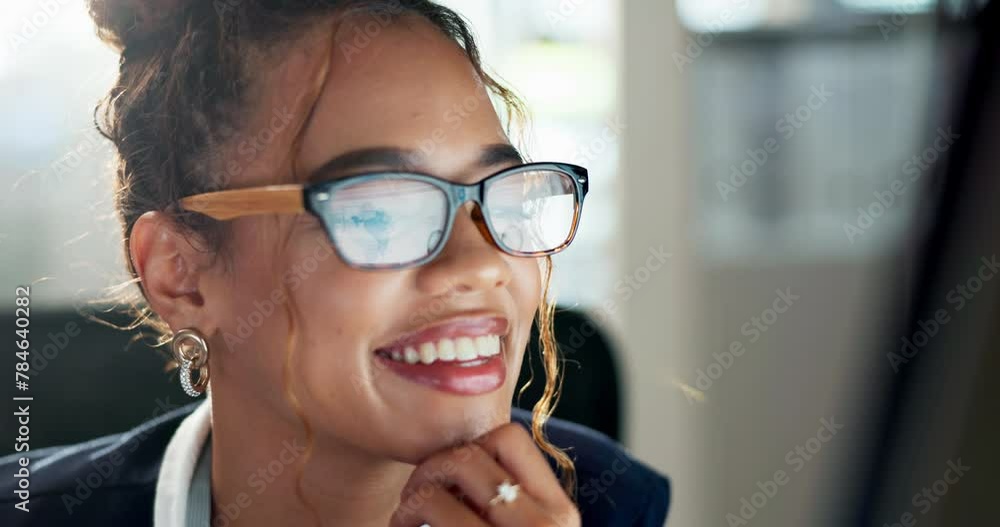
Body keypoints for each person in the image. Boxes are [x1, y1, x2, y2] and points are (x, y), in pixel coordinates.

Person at [0, 1, 670, 525]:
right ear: (181, 272)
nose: (480, 264)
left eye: (501, 193)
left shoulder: (610, 505)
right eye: (382, 209)